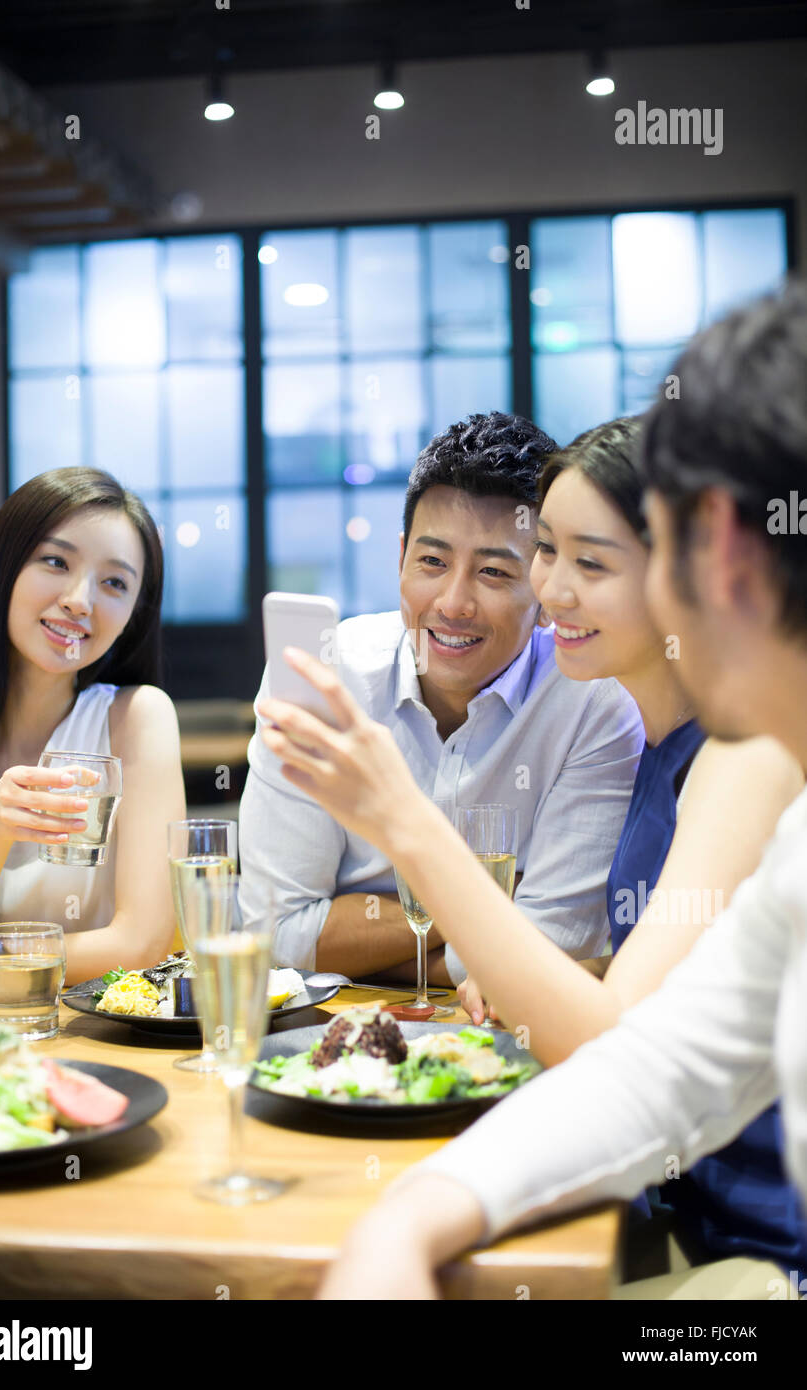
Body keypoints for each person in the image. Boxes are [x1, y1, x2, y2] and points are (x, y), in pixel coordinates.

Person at [257, 277, 807, 1299]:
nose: (546, 594)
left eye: (585, 559)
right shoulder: (727, 774)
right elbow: (659, 1068)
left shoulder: (741, 755)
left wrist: (404, 824)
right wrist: (405, 1221)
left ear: (723, 552)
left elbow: (614, 1039)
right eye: (543, 551)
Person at [240, 411, 644, 981]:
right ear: (401, 556)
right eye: (432, 562)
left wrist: (366, 943)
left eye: (495, 573)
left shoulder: (594, 702)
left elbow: (546, 956)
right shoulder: (326, 675)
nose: (454, 603)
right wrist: (491, 894)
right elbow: (277, 939)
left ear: (544, 582)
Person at [0, 467, 185, 986]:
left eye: (114, 582)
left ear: (133, 614)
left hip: (100, 1039)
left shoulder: (138, 717)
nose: (80, 599)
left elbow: (141, 944)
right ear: (3, 567)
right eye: (56, 561)